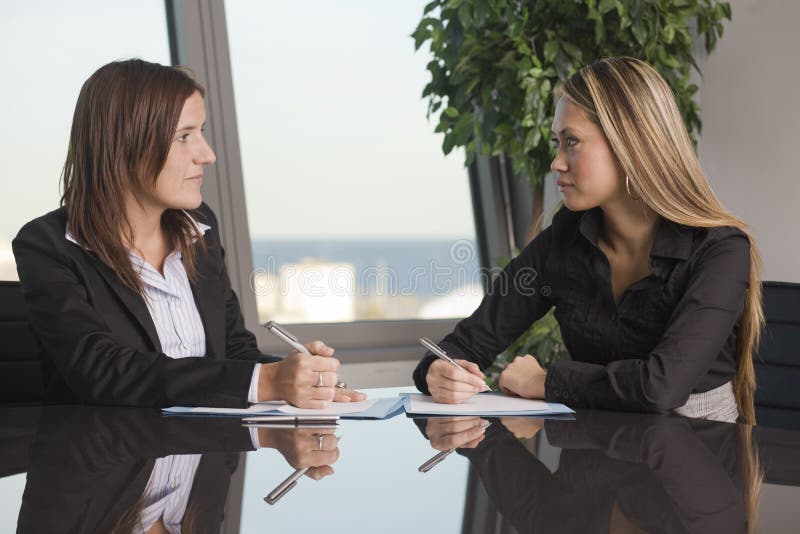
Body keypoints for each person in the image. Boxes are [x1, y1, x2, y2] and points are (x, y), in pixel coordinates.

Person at [413, 56, 763, 423]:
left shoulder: (721, 251)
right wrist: (438, 372)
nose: (556, 162)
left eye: (572, 142)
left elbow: (660, 387)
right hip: (596, 447)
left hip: (694, 449)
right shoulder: (564, 240)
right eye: (557, 142)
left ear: (632, 145)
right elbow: (467, 343)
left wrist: (545, 381)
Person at [13, 59, 365, 408]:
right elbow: (101, 371)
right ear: (124, 144)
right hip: (114, 446)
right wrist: (266, 381)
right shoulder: (47, 245)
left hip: (207, 444)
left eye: (202, 132)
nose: (207, 155)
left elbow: (233, 352)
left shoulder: (200, 228)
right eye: (183, 136)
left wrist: (299, 378)